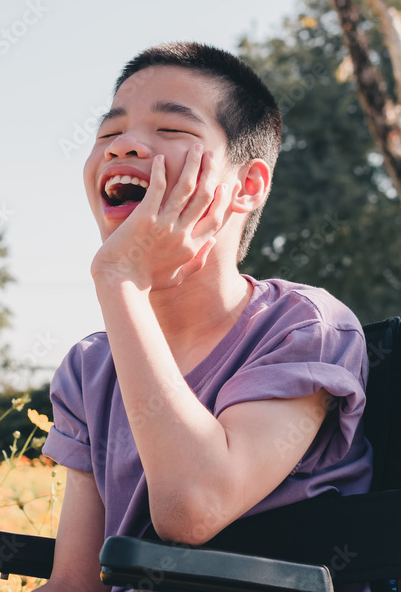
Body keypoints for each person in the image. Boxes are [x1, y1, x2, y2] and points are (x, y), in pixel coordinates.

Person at [37, 42, 373, 591]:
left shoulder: (305, 328)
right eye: (108, 133)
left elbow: (192, 509)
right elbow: (75, 581)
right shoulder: (89, 367)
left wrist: (121, 279)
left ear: (248, 185)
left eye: (171, 131)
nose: (123, 146)